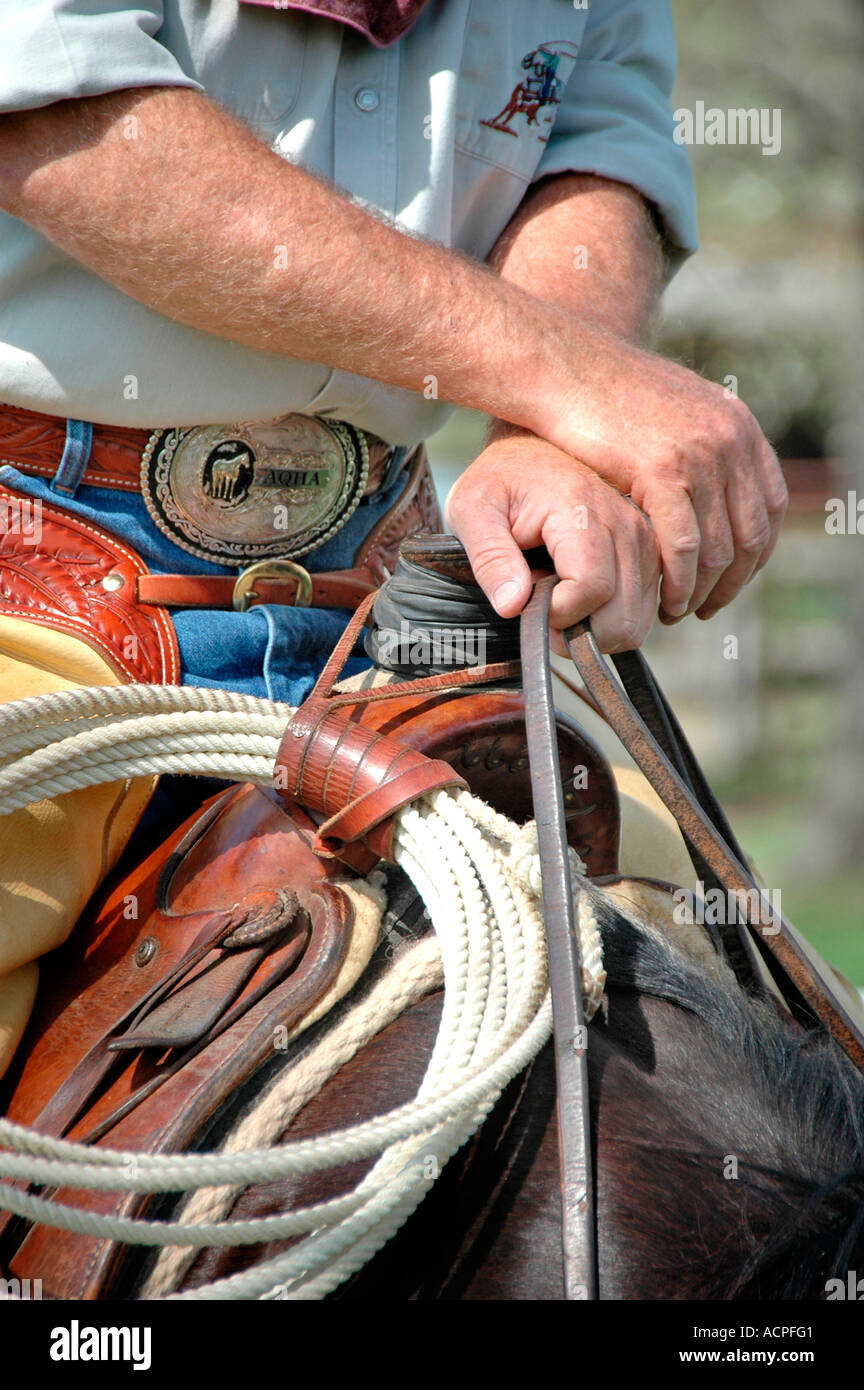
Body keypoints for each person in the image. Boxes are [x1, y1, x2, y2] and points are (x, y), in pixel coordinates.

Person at [0, 0, 788, 1073]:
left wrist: (541, 434)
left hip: (383, 604)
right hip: (31, 579)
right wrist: (569, 376)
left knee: (723, 981)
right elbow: (61, 114)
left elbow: (593, 147)